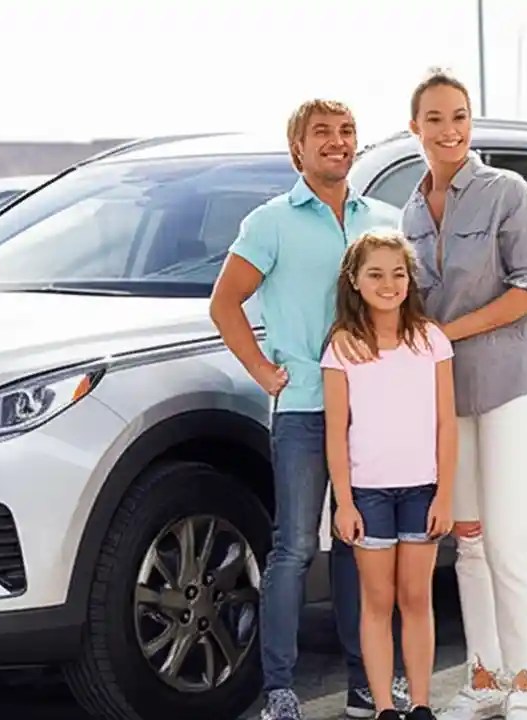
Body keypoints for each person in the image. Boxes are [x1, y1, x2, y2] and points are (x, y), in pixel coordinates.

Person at [334, 68, 527, 720]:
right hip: (450, 396)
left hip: (515, 385)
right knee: (469, 537)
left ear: (471, 121)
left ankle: (524, 681)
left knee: (511, 538)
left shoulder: (507, 193)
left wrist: (445, 333)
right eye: (434, 119)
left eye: (458, 116)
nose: (449, 130)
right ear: (415, 128)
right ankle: (484, 677)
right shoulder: (409, 212)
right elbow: (404, 303)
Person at [209, 99, 408, 720]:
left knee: (359, 545)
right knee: (294, 547)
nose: (337, 141)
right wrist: (263, 371)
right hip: (303, 409)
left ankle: (366, 684)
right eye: (322, 132)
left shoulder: (383, 219)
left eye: (346, 131)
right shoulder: (270, 222)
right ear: (297, 148)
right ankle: (279, 689)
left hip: (372, 413)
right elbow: (224, 304)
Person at [322, 229, 457, 720]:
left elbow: (446, 424)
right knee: (377, 602)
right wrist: (345, 503)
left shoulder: (431, 340)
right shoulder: (342, 347)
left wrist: (444, 495)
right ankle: (383, 706)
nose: (388, 284)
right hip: (369, 494)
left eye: (398, 274)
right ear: (355, 281)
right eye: (376, 274)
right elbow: (336, 431)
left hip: (422, 490)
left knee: (416, 598)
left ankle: (420, 703)